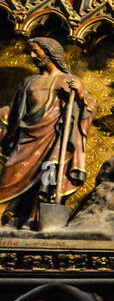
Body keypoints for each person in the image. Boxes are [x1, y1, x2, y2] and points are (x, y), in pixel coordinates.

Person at [0, 37, 96, 229]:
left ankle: (34, 218)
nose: (32, 56)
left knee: (48, 178)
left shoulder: (69, 81)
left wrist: (79, 94)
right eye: (32, 52)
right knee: (8, 178)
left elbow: (90, 108)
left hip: (55, 139)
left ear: (50, 52)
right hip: (27, 138)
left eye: (36, 51)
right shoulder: (29, 82)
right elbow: (15, 110)